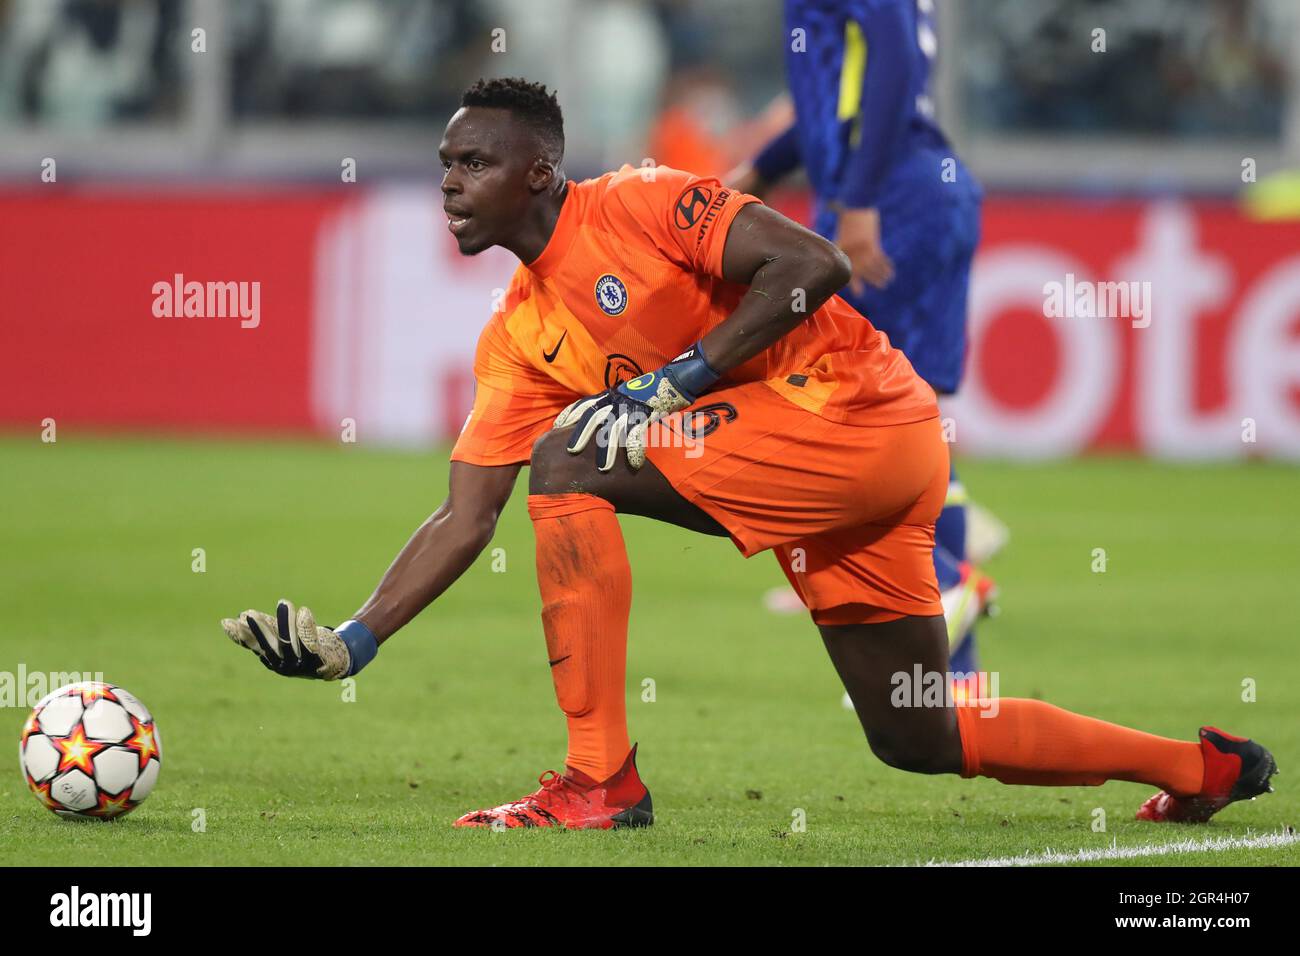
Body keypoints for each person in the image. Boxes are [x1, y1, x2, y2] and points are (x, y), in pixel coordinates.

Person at [221, 78, 1275, 830]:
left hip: (858, 416)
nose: (448, 183)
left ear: (538, 170)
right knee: (914, 728)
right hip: (838, 481)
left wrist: (674, 380)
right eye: (445, 164)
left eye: (471, 162)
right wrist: (354, 640)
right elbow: (463, 515)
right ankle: (1198, 765)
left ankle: (600, 780)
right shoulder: (516, 334)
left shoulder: (636, 201)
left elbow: (813, 263)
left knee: (571, 459)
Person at [730, 0, 999, 672]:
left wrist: (859, 203)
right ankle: (951, 670)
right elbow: (835, 99)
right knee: (908, 420)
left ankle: (942, 580)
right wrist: (762, 169)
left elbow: (896, 63)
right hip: (920, 189)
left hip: (890, 197)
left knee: (839, 408)